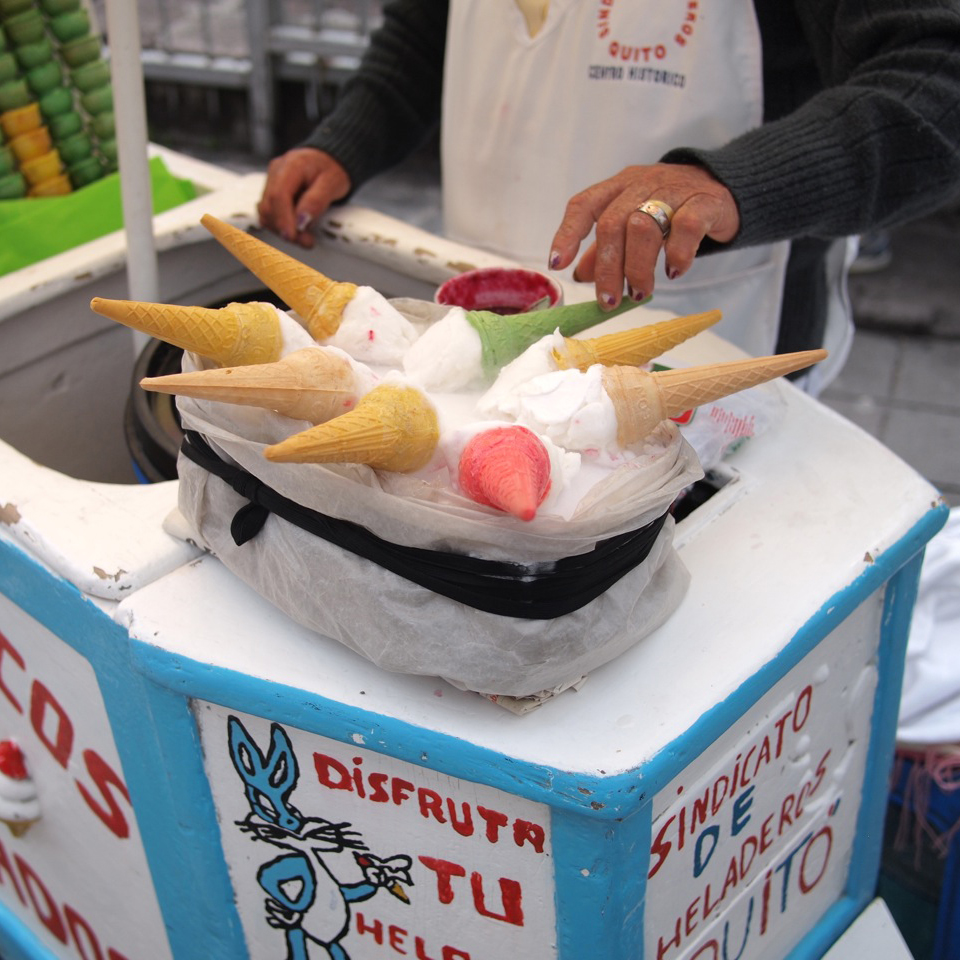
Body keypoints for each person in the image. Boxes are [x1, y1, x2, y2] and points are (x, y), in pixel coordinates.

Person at [257, 0, 960, 389]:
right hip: (486, 305)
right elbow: (426, 28)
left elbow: (937, 73)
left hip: (714, 346)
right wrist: (345, 140)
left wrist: (730, 180)